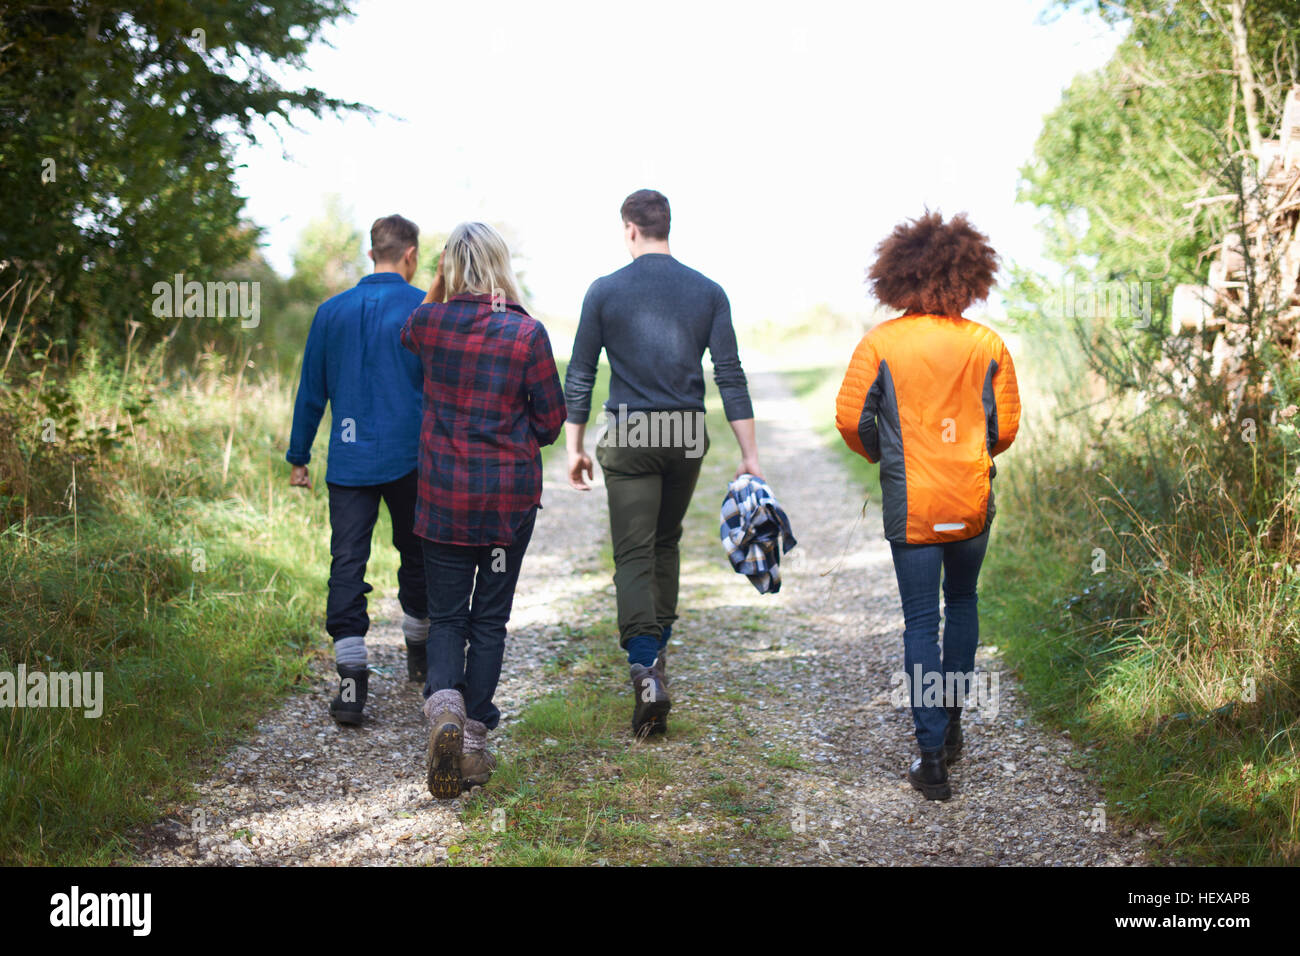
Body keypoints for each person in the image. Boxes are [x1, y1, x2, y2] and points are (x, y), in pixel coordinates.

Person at [835, 210, 1021, 801]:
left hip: (911, 505)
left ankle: (930, 756)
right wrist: (971, 454)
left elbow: (851, 420)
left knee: (921, 622)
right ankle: (955, 726)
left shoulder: (880, 343)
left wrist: (884, 456)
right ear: (970, 276)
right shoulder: (987, 344)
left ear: (899, 276)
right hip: (970, 500)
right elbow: (1006, 428)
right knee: (962, 603)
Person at [564, 189, 762, 738]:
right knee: (666, 542)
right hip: (684, 432)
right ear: (665, 227)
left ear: (630, 229)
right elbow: (730, 374)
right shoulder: (708, 292)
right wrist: (750, 454)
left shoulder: (604, 291)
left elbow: (580, 372)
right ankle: (659, 657)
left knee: (633, 551)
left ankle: (646, 667)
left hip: (629, 431)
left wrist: (573, 445)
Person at [401, 221, 566, 799]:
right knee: (488, 618)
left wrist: (439, 284)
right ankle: (470, 741)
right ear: (499, 265)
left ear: (447, 268)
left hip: (444, 500)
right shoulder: (526, 334)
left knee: (446, 617)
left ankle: (443, 713)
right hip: (504, 506)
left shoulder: (428, 323)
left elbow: (409, 330)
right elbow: (550, 423)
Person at [286, 214, 431, 726]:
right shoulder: (423, 308)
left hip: (348, 462)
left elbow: (311, 393)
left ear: (373, 253)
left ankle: (352, 679)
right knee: (417, 554)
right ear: (410, 255)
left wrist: (298, 456)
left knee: (347, 561)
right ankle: (420, 652)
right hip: (412, 457)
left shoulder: (330, 312)